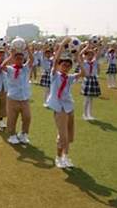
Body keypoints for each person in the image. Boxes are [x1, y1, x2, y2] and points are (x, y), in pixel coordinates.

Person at [46, 38, 85, 168]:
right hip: (58, 107)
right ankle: (61, 157)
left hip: (69, 106)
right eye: (63, 65)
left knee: (69, 134)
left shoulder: (69, 77)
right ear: (59, 66)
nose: (66, 68)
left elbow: (84, 73)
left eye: (68, 66)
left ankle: (63, 156)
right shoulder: (55, 75)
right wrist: (62, 45)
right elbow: (56, 60)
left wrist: (78, 56)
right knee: (63, 135)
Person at [1, 42, 34, 145]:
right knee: (12, 118)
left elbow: (32, 60)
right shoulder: (11, 69)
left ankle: (23, 134)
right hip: (13, 98)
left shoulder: (25, 68)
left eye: (21, 58)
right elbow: (2, 66)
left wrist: (28, 49)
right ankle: (12, 135)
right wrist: (10, 55)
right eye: (17, 58)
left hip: (24, 98)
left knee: (27, 117)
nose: (19, 60)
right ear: (14, 59)